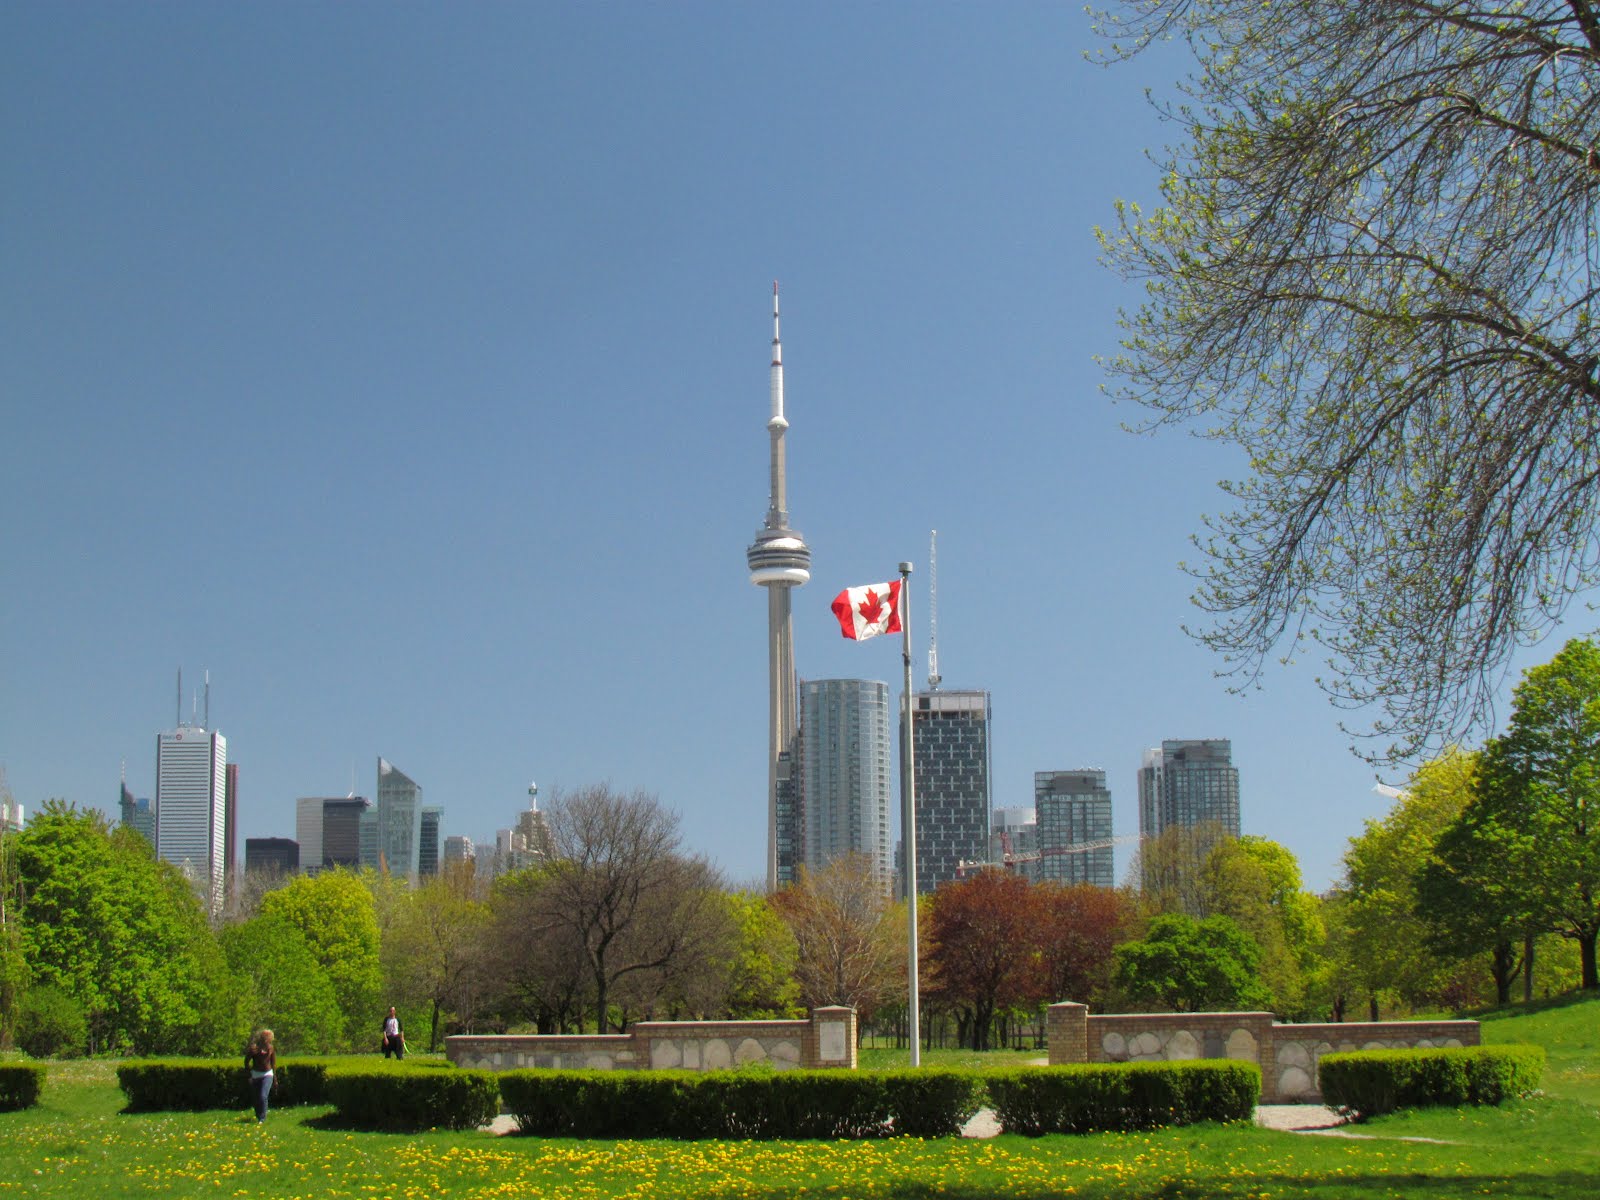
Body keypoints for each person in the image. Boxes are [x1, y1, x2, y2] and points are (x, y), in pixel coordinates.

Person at [245, 1028, 276, 1123]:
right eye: (264, 1037)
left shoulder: (271, 1048)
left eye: (268, 1038)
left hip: (267, 1074)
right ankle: (258, 1115)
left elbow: (273, 1064)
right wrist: (249, 1074)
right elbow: (246, 1062)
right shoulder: (254, 1048)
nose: (266, 1040)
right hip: (255, 1075)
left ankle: (262, 1118)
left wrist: (275, 1079)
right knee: (256, 1097)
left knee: (263, 1096)